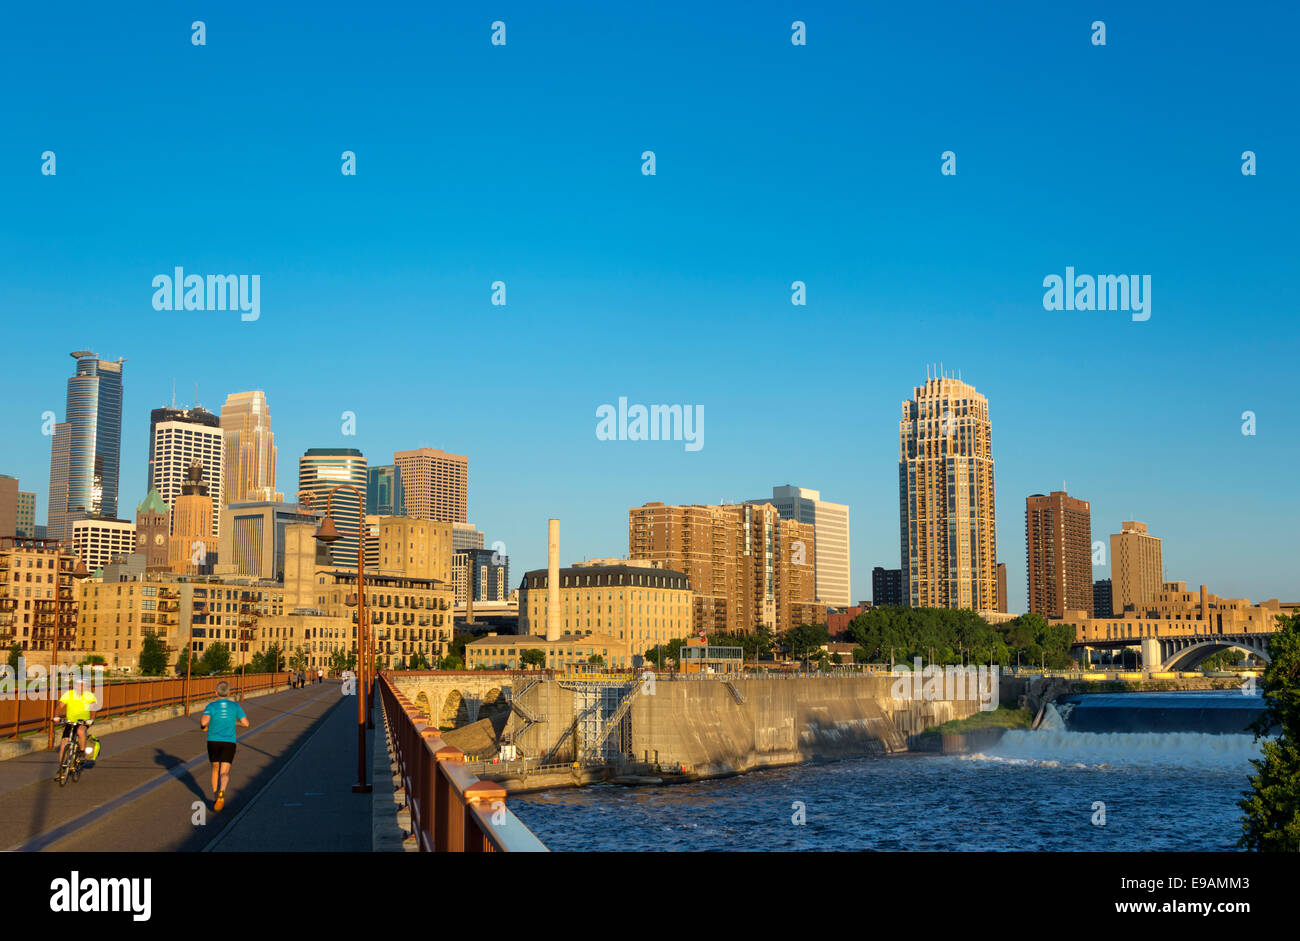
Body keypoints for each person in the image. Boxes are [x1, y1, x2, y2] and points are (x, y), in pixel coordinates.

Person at [200, 681, 249, 812]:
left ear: (216, 692)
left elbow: (203, 722)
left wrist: (205, 726)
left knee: (214, 769)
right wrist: (234, 723)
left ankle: (216, 797)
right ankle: (222, 791)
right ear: (229, 693)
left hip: (213, 741)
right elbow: (246, 724)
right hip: (229, 742)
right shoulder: (235, 706)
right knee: (225, 771)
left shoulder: (211, 706)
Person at [53, 675, 97, 777]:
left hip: (83, 722)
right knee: (64, 743)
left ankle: (81, 752)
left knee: (80, 731)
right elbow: (59, 706)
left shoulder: (89, 695)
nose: (79, 687)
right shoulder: (68, 694)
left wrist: (91, 719)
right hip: (70, 721)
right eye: (77, 685)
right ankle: (62, 768)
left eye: (82, 685)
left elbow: (93, 708)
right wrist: (56, 716)